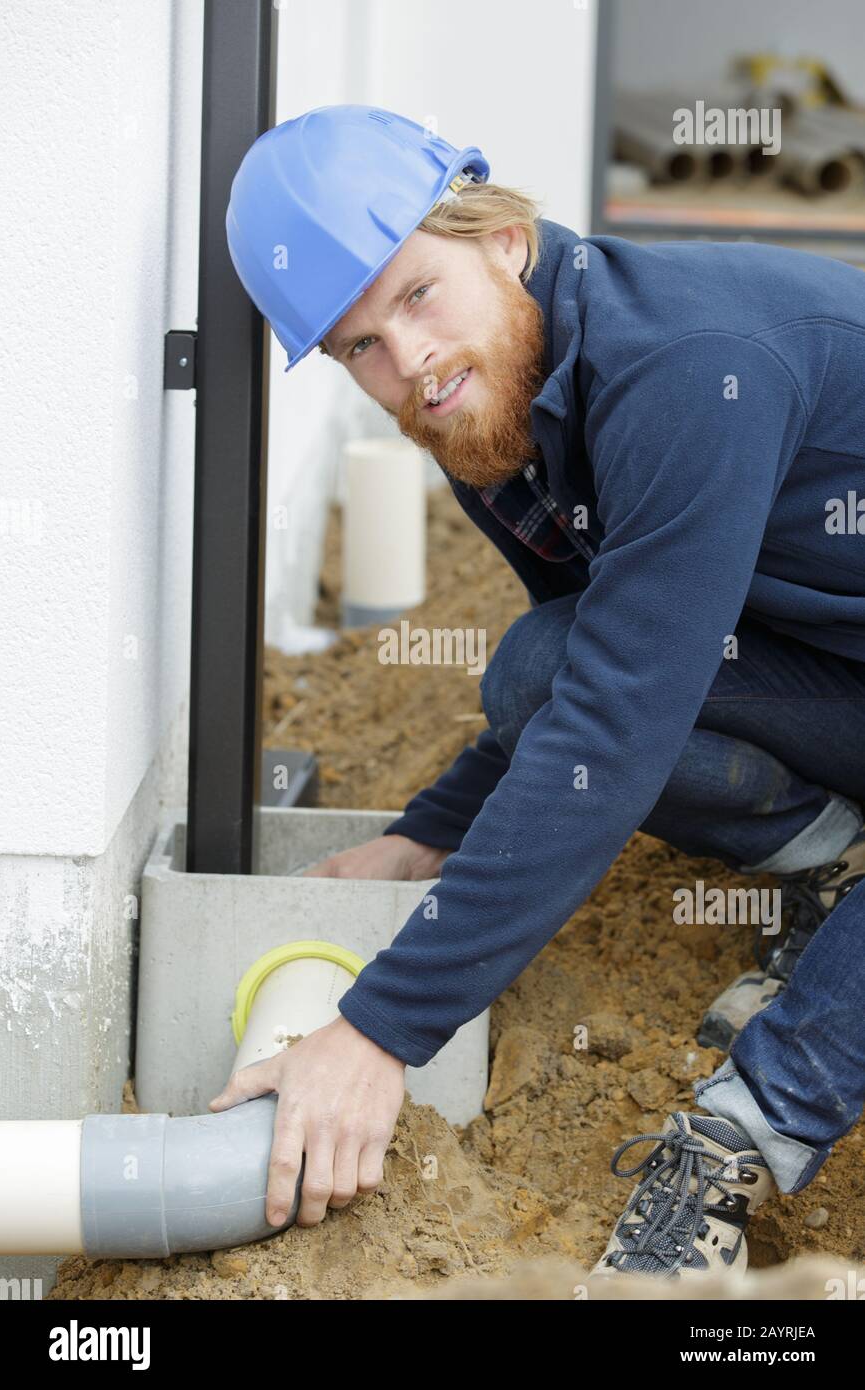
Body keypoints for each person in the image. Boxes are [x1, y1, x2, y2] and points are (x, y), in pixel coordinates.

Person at [214, 104, 865, 1279]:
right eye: (359, 345)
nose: (406, 363)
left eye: (415, 295)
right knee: (532, 673)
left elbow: (616, 728)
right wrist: (427, 835)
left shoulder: (684, 369)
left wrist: (378, 1029)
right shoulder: (493, 413)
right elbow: (594, 662)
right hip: (837, 662)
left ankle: (739, 1135)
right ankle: (832, 853)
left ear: (504, 237)